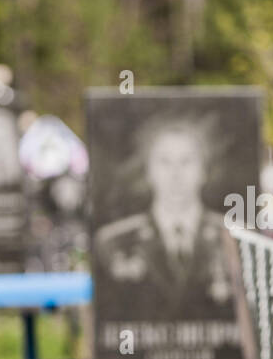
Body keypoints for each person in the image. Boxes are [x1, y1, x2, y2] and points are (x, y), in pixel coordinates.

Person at [93, 117, 233, 321]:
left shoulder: (234, 237)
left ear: (204, 170)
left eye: (186, 161)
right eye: (164, 162)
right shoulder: (114, 241)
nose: (175, 173)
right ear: (148, 171)